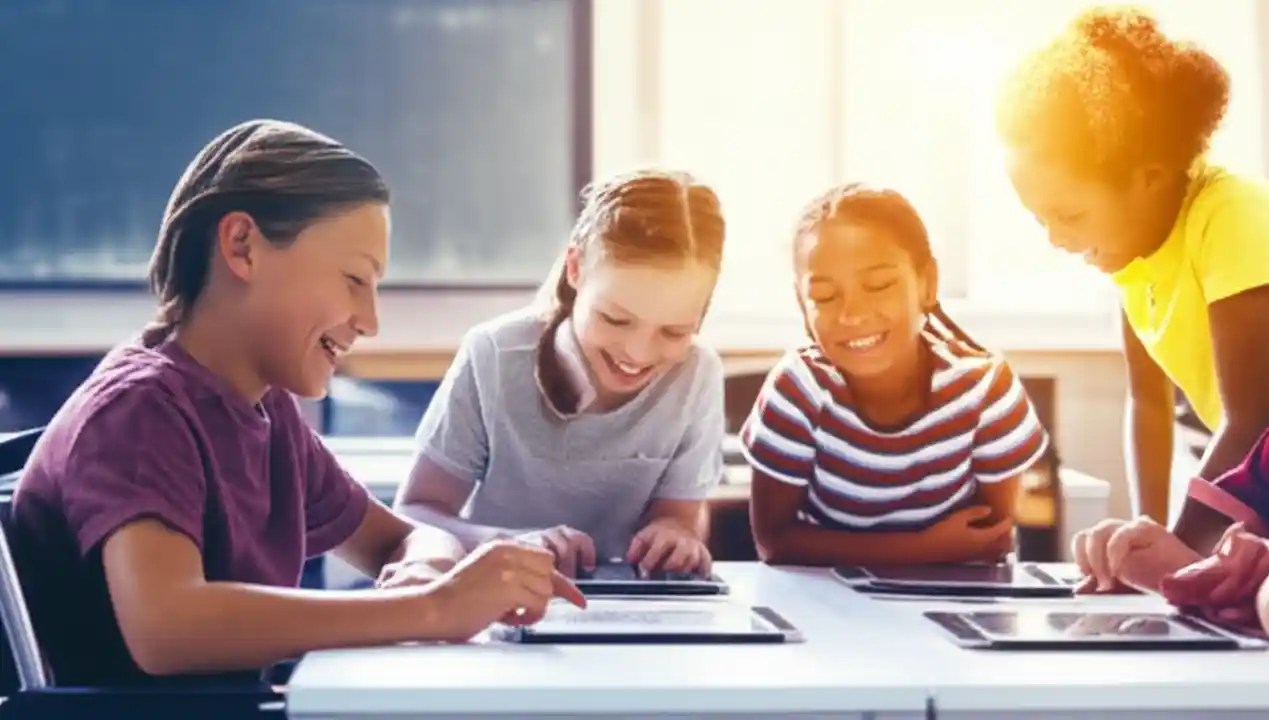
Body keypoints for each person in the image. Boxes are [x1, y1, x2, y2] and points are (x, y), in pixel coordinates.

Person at [11, 119, 583, 687]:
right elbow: (168, 628)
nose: (371, 320)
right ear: (243, 247)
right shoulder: (140, 411)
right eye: (355, 279)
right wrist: (433, 609)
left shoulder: (265, 410)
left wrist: (423, 572)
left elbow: (398, 536)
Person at [996, 7, 1269, 590]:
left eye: (1068, 214)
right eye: (1039, 219)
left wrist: (1175, 549)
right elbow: (1148, 403)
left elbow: (1254, 414)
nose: (1055, 237)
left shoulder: (1233, 215)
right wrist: (1145, 529)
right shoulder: (1133, 251)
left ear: (1149, 177)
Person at [395, 169, 726, 577]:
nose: (638, 353)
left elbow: (681, 514)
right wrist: (503, 542)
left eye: (675, 331)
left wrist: (677, 533)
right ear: (575, 269)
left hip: (632, 607)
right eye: (615, 319)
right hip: (493, 598)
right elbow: (416, 512)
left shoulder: (698, 374)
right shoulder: (494, 355)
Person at [743, 183, 1049, 566]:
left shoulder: (986, 390)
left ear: (927, 283)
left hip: (955, 607)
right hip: (829, 608)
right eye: (823, 296)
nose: (851, 314)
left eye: (878, 285)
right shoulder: (797, 389)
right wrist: (926, 548)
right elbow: (774, 542)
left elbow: (989, 542)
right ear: (801, 305)